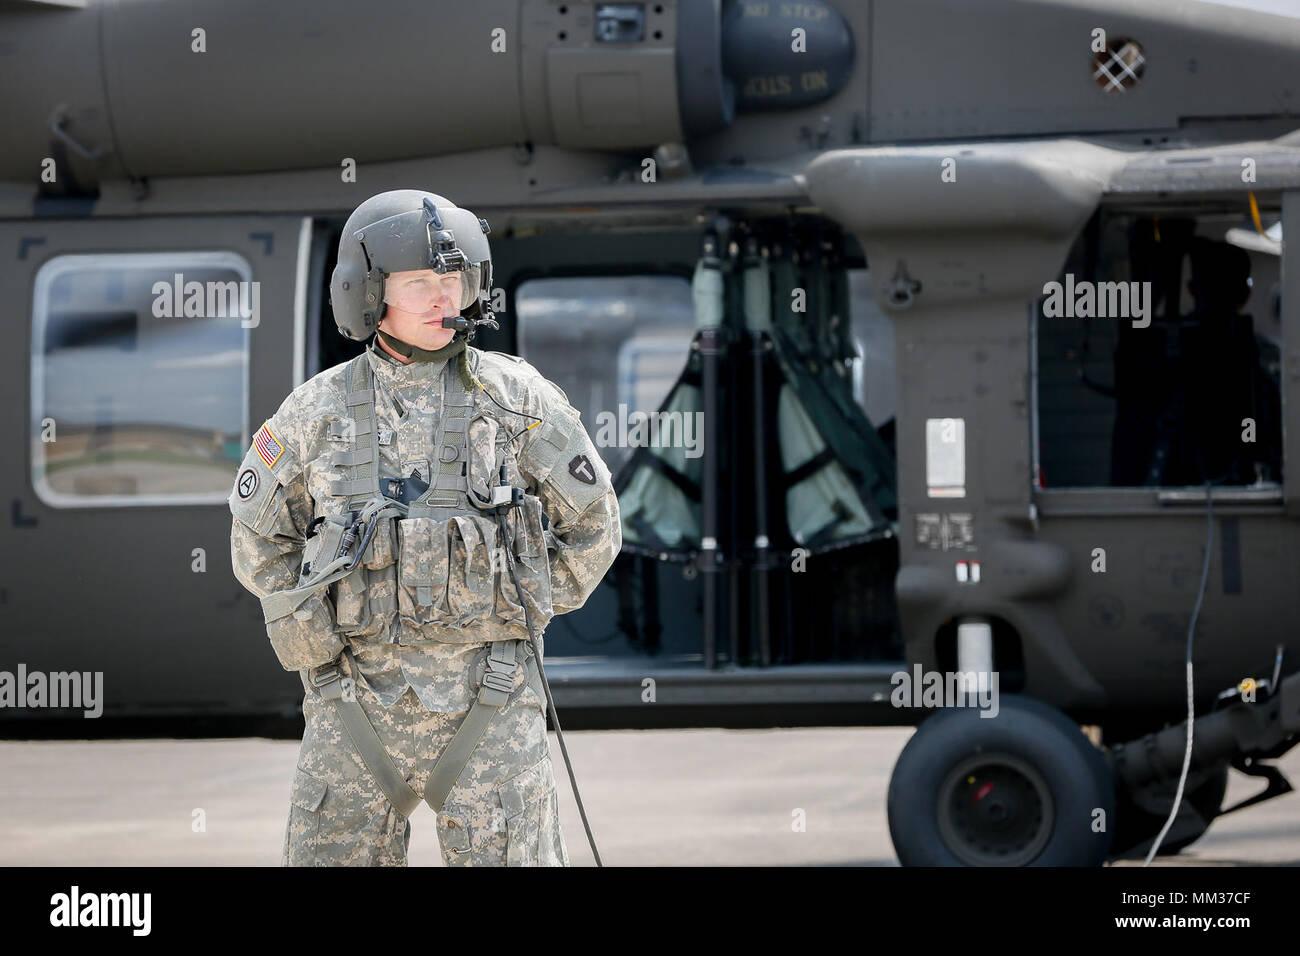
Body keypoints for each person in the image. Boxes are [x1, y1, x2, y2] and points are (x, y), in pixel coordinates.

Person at [228, 189, 621, 866]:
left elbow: (593, 527)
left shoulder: (516, 400)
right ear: (368, 295)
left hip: (491, 704)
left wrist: (515, 604)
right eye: (421, 283)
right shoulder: (315, 412)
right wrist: (315, 645)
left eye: (455, 280)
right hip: (350, 706)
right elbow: (258, 541)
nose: (447, 298)